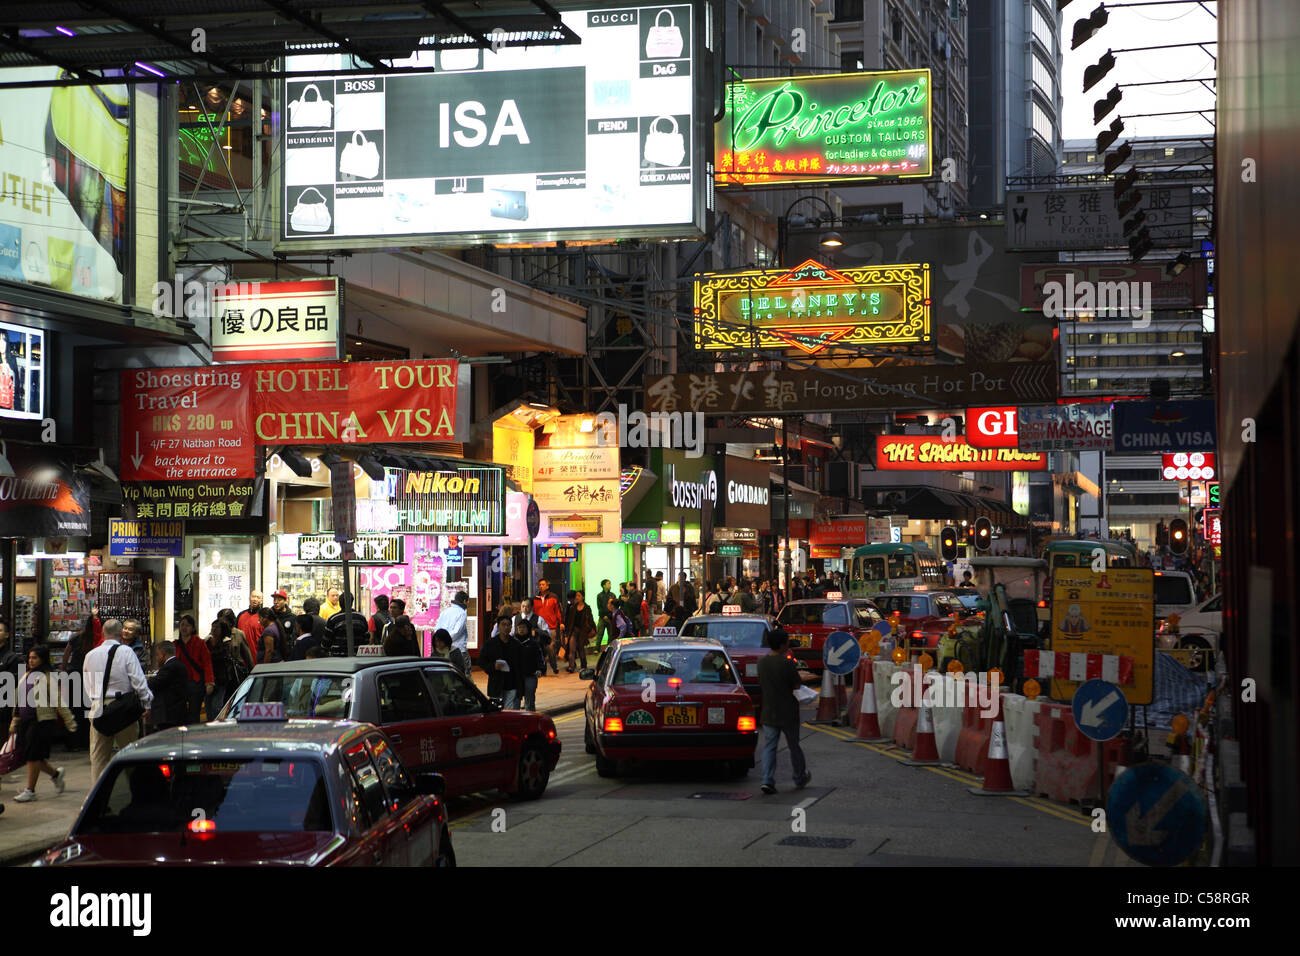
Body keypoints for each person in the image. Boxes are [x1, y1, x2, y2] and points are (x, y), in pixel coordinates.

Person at [84, 619, 154, 784]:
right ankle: (134, 794)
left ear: (103, 633)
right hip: (124, 709)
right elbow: (138, 681)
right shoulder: (126, 652)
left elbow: (88, 687)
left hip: (98, 708)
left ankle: (99, 799)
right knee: (130, 755)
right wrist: (147, 703)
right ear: (120, 634)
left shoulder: (90, 655)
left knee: (99, 758)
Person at [8, 645, 76, 803]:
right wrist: (15, 720)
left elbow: (58, 701)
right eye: (30, 658)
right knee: (32, 756)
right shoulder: (26, 675)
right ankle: (56, 775)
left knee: (33, 755)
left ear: (43, 659)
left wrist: (69, 720)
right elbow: (18, 700)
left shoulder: (48, 677)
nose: (31, 661)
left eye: (35, 658)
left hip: (41, 721)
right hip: (25, 720)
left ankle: (30, 790)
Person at [757, 628, 811, 795]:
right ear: (781, 644)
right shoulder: (786, 663)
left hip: (768, 711)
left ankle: (767, 779)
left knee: (769, 747)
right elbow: (796, 684)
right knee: (794, 746)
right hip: (788, 711)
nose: (788, 644)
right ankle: (799, 776)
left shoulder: (762, 663)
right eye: (787, 641)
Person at [60, 617, 98, 751]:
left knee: (74, 710)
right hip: (89, 677)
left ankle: (72, 742)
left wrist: (63, 671)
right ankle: (85, 741)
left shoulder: (77, 637)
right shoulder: (98, 640)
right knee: (87, 710)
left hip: (74, 675)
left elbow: (66, 655)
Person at [173, 615, 214, 724]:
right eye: (182, 625)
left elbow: (207, 663)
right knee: (179, 712)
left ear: (193, 628)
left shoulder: (200, 643)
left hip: (195, 683)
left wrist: (209, 682)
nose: (184, 628)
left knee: (194, 712)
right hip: (179, 684)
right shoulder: (175, 644)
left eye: (187, 625)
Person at [479, 617, 525, 709]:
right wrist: (493, 666)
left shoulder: (516, 645)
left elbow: (521, 666)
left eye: (508, 625)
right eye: (503, 624)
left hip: (512, 684)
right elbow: (482, 662)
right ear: (498, 627)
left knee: (509, 711)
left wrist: (521, 688)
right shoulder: (490, 644)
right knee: (496, 711)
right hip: (496, 683)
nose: (506, 627)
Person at [146, 641, 188, 732]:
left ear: (163, 653)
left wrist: (143, 681)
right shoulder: (178, 664)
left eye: (157, 655)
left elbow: (154, 683)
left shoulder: (170, 666)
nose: (156, 658)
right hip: (176, 714)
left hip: (169, 715)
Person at [205, 618, 233, 721]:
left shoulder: (226, 642)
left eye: (217, 627)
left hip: (221, 678)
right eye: (213, 626)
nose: (214, 629)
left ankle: (218, 724)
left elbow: (220, 655)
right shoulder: (207, 641)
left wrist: (207, 656)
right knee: (208, 706)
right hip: (208, 678)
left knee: (217, 705)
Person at [514, 619, 545, 711]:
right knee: (515, 701)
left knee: (529, 701)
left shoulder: (534, 644)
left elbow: (540, 658)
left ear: (528, 629)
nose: (521, 630)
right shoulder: (513, 642)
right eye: (519, 628)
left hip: (530, 675)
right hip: (516, 676)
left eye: (523, 627)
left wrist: (540, 669)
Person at [432, 589, 471, 659]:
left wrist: (442, 642)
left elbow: (437, 629)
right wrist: (447, 640)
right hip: (458, 648)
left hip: (442, 648)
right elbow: (457, 631)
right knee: (461, 668)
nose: (468, 603)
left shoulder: (445, 611)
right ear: (465, 601)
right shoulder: (462, 613)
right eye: (467, 601)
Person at [563, 591, 595, 673]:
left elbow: (590, 620)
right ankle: (571, 666)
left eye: (579, 596)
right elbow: (569, 621)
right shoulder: (572, 608)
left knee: (581, 648)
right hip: (573, 631)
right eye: (576, 596)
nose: (577, 597)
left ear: (583, 597)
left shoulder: (587, 608)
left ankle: (583, 666)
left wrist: (592, 629)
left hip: (582, 631)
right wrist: (566, 634)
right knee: (571, 648)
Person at [534, 579, 564, 655]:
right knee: (540, 646)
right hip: (539, 627)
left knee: (551, 646)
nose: (541, 586)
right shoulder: (535, 598)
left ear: (547, 586)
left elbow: (558, 611)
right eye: (540, 585)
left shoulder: (553, 597)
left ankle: (553, 665)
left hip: (551, 626)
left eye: (543, 584)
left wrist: (561, 623)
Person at [595, 580, 616, 647]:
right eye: (608, 583)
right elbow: (599, 607)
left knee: (611, 634)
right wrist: (603, 615)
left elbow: (614, 607)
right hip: (602, 617)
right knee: (599, 634)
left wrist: (609, 615)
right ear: (604, 585)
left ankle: (609, 648)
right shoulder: (599, 595)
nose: (610, 585)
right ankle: (597, 648)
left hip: (610, 618)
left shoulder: (612, 595)